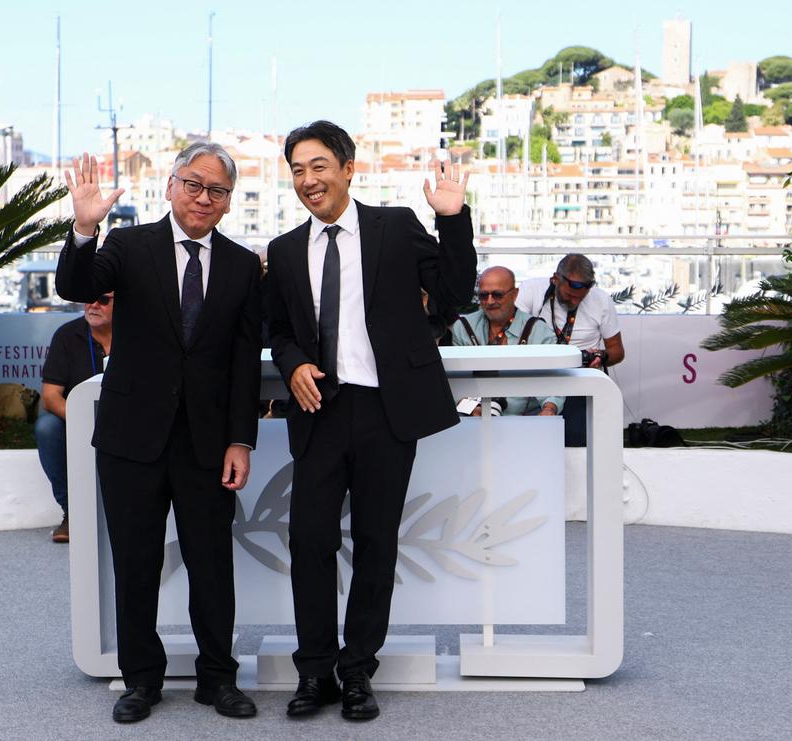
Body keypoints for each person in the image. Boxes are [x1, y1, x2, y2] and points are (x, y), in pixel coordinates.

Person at [264, 121, 475, 721]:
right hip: (317, 410)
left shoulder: (396, 226)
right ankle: (314, 673)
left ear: (348, 168)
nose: (309, 180)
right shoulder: (282, 251)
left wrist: (452, 219)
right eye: (299, 170)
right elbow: (275, 330)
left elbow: (456, 292)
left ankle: (357, 673)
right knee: (309, 542)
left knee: (377, 544)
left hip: (386, 410)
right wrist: (294, 362)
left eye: (319, 166)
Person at [55, 144, 262, 724]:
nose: (203, 197)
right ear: (170, 186)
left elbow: (246, 363)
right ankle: (140, 679)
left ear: (227, 203)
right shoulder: (126, 245)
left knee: (212, 566)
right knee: (136, 564)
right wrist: (83, 228)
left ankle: (218, 679)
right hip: (131, 439)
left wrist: (240, 439)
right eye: (193, 184)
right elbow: (76, 286)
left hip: (207, 444)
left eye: (216, 190)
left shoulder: (245, 267)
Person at [515, 253, 625, 445]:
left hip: (577, 381)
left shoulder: (601, 300)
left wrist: (601, 356)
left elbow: (617, 351)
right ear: (555, 279)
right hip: (534, 376)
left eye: (580, 298)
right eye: (569, 296)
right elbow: (511, 331)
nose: (574, 302)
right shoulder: (531, 290)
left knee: (575, 438)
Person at [35, 294, 114, 543]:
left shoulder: (137, 333)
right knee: (47, 428)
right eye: (88, 298)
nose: (93, 305)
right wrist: (82, 421)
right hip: (76, 419)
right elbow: (50, 396)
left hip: (126, 417)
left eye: (103, 299)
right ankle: (73, 512)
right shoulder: (67, 336)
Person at [450, 266, 563, 416]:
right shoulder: (463, 327)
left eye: (497, 295)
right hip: (474, 420)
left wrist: (549, 409)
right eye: (483, 295)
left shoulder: (538, 331)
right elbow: (455, 383)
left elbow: (553, 382)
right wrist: (471, 409)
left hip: (524, 422)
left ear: (515, 294)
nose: (490, 301)